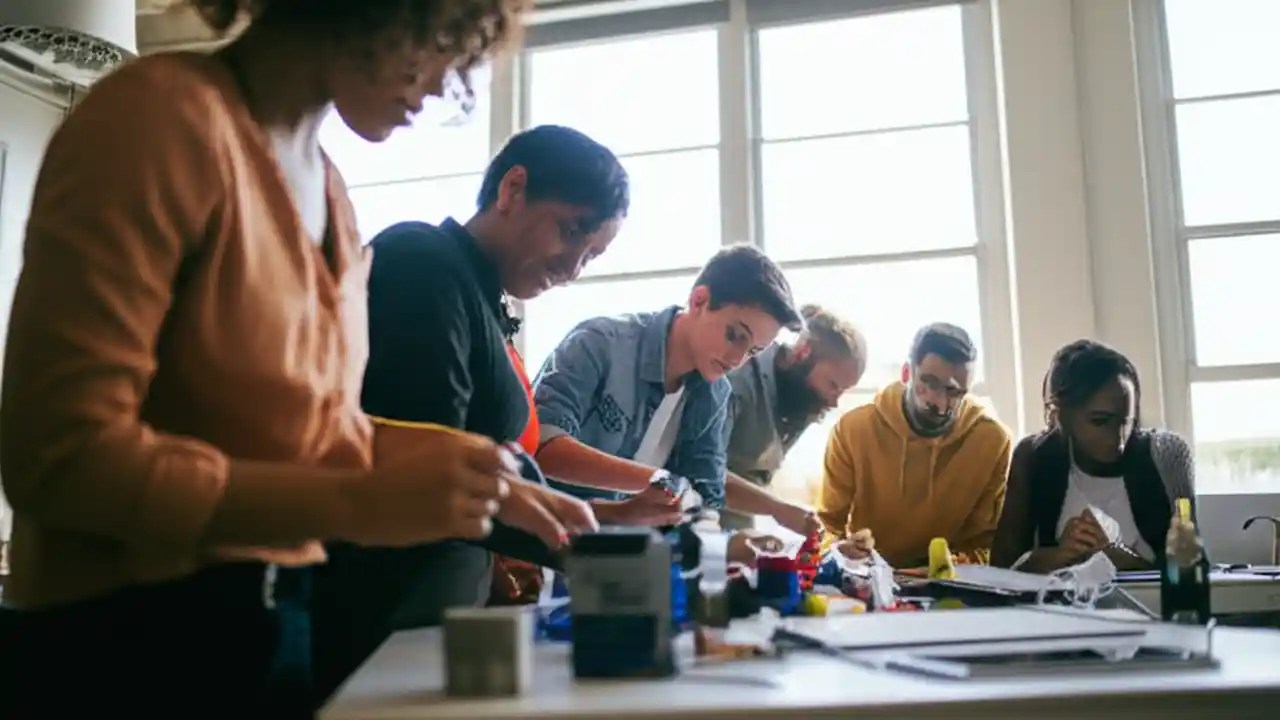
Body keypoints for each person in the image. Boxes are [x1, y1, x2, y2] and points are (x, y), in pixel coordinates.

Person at [0, 0, 542, 715]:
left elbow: (325, 437)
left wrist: (494, 489)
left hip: (275, 631)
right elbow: (58, 458)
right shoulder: (156, 120)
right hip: (116, 650)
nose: (445, 84)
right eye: (438, 37)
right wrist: (355, 502)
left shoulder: (332, 194)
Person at [312, 125, 630, 700]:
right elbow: (436, 457)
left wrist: (601, 520)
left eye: (591, 255)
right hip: (383, 605)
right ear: (512, 190)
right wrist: (579, 539)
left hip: (433, 604)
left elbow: (497, 466)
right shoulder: (423, 265)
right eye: (571, 232)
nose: (573, 266)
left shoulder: (480, 294)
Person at [532, 245, 804, 522]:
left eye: (754, 352)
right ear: (699, 301)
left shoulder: (716, 392)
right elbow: (540, 446)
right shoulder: (599, 344)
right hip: (540, 543)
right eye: (735, 335)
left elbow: (705, 489)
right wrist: (661, 480)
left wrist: (769, 518)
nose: (737, 359)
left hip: (622, 555)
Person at [991, 340, 1196, 573]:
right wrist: (1061, 554)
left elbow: (1190, 570)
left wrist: (1115, 556)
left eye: (1127, 422)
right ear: (1060, 416)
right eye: (1100, 421)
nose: (1118, 440)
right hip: (1057, 609)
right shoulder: (1033, 456)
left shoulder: (1166, 455)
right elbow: (1001, 571)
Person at [818, 323, 1012, 568]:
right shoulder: (853, 430)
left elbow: (984, 544)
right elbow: (825, 527)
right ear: (907, 373)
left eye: (954, 392)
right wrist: (838, 551)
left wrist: (947, 567)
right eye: (929, 383)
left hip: (945, 585)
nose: (939, 403)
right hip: (866, 578)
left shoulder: (992, 441)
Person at [720, 303, 868, 535]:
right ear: (804, 351)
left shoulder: (800, 399)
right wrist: (777, 509)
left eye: (841, 392)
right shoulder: (738, 380)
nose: (834, 402)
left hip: (738, 537)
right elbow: (702, 471)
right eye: (832, 386)